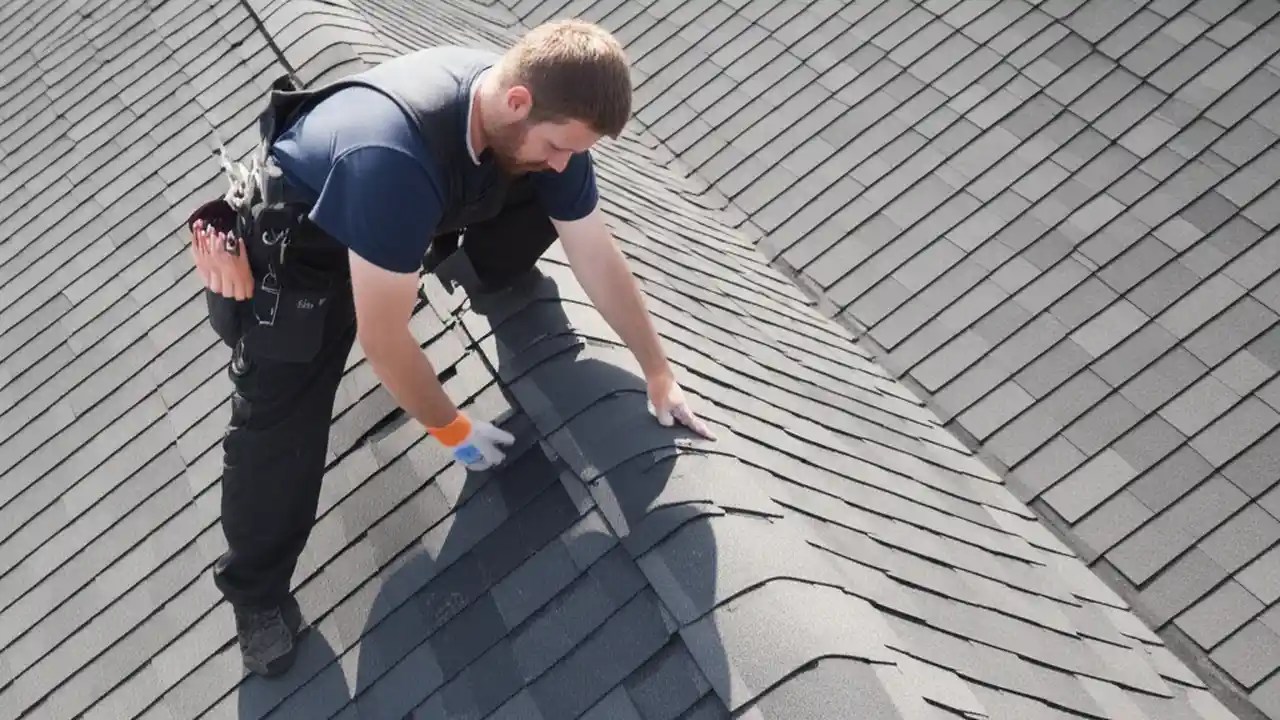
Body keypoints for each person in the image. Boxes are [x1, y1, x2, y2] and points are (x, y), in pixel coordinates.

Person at [185, 19, 714, 678]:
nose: (562, 160)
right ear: (518, 102)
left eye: (571, 151)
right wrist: (453, 429)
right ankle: (256, 596)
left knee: (539, 190)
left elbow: (596, 253)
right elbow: (384, 340)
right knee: (277, 430)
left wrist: (657, 370)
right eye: (557, 145)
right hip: (307, 256)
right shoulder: (394, 160)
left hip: (412, 219)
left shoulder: (529, 112)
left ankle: (484, 270)